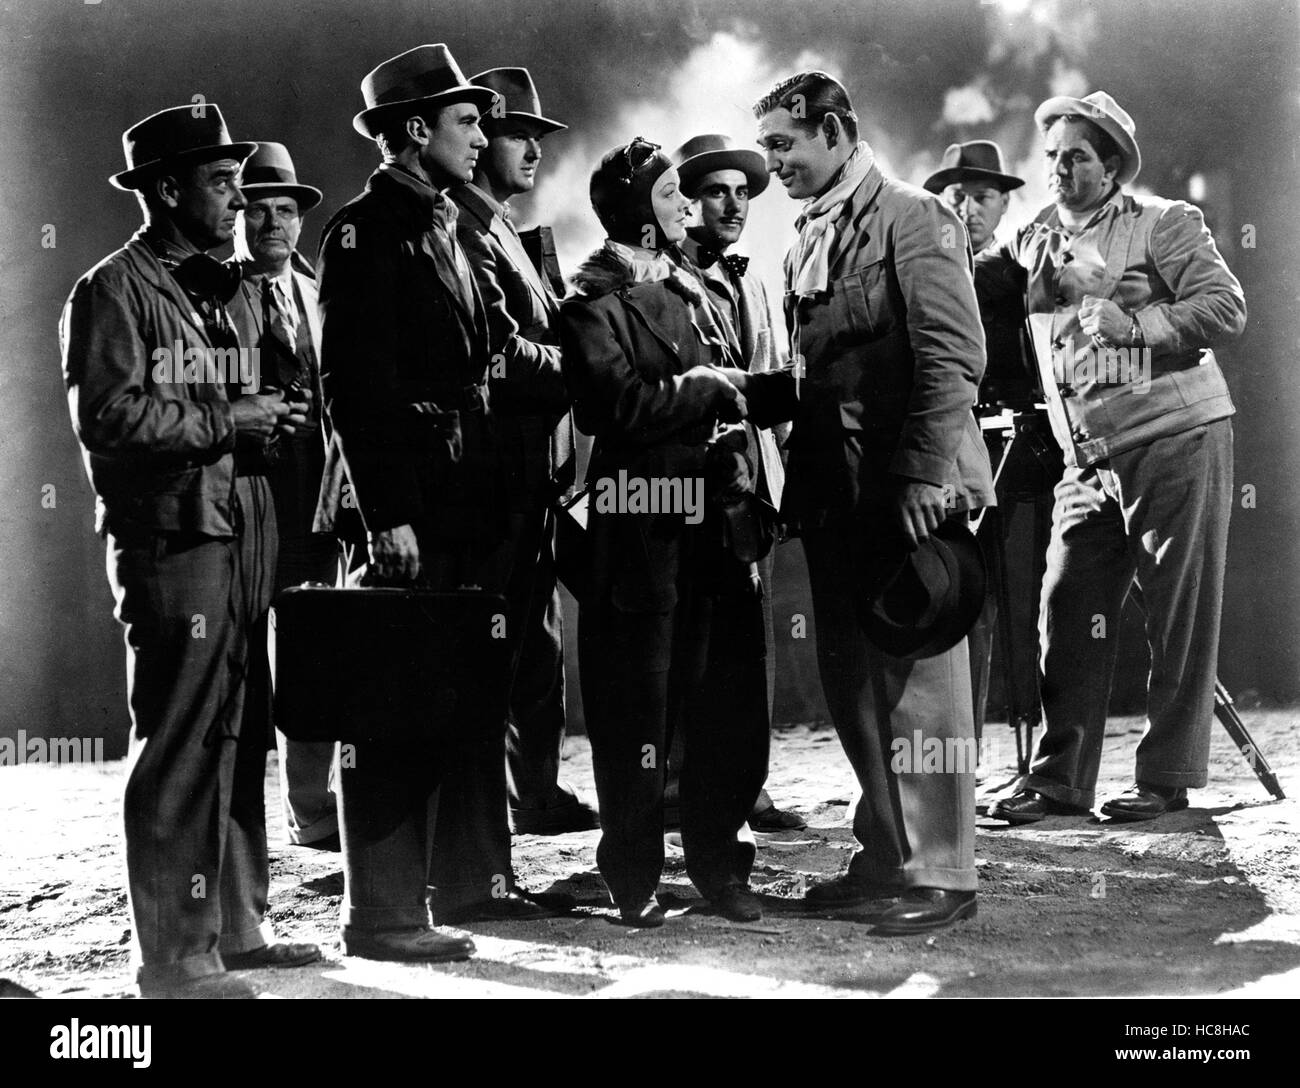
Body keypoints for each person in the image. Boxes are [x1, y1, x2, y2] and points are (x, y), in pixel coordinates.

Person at [313, 44, 568, 963]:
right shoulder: (365, 230)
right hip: (413, 505)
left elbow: (495, 355)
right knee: (389, 705)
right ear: (414, 132)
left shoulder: (441, 232)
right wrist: (389, 517)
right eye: (469, 121)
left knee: (461, 699)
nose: (485, 133)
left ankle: (469, 886)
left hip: (462, 501)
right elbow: (355, 389)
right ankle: (381, 915)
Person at [60, 104, 320, 998]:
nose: (239, 196)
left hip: (245, 525)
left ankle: (239, 930)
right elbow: (111, 418)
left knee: (243, 734)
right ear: (165, 190)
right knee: (181, 739)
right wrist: (228, 419)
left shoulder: (232, 286)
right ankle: (174, 958)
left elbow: (239, 403)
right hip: (175, 541)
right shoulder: (112, 290)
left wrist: (266, 422)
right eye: (219, 181)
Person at [734, 71, 994, 934]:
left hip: (907, 494)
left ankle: (943, 872)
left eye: (784, 144)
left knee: (922, 685)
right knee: (853, 685)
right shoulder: (809, 231)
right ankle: (887, 852)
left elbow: (953, 355)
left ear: (837, 131)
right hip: (838, 500)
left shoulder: (915, 218)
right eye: (766, 147)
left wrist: (925, 475)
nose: (773, 165)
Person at [980, 92, 1246, 824]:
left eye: (1077, 157)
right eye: (1054, 157)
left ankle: (1165, 779)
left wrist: (1136, 323)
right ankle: (1060, 781)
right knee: (1067, 608)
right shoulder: (1030, 238)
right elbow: (986, 296)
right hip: (1086, 458)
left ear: (1111, 166)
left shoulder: (1163, 223)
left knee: (1178, 611)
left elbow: (1226, 308)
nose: (1060, 169)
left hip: (1175, 435)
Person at [560, 137, 770, 926]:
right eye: (672, 193)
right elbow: (613, 409)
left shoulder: (691, 286)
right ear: (638, 210)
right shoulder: (590, 301)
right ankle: (634, 878)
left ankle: (721, 865)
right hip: (640, 521)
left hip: (713, 522)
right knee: (637, 706)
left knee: (724, 698)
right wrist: (705, 389)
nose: (687, 204)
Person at [448, 68, 599, 835]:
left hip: (532, 471)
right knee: (501, 644)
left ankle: (533, 795)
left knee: (535, 640)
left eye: (538, 138)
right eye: (517, 136)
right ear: (477, 144)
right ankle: (492, 825)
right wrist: (583, 367)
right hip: (492, 474)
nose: (532, 151)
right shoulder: (465, 231)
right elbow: (500, 356)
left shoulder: (503, 227)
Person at [670, 132, 804, 831]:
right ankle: (673, 784)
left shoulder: (754, 279)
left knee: (752, 638)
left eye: (743, 192)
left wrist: (787, 471)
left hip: (748, 479)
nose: (732, 204)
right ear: (686, 200)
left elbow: (776, 376)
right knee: (685, 633)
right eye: (716, 191)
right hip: (682, 480)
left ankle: (749, 785)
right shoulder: (662, 277)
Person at [923, 141, 1059, 747]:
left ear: (1004, 205)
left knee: (1024, 601)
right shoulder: (922, 268)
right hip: (952, 451)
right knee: (961, 600)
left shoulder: (1019, 270)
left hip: (1021, 452)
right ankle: (962, 751)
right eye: (955, 195)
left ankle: (1036, 750)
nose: (966, 207)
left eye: (982, 197)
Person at [227, 141, 341, 850]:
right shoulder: (215, 295)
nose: (272, 223)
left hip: (316, 496)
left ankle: (311, 807)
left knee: (314, 647)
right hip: (246, 494)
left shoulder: (318, 292)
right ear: (238, 216)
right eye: (257, 209)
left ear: (300, 220)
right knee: (241, 654)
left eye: (285, 211)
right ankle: (238, 828)